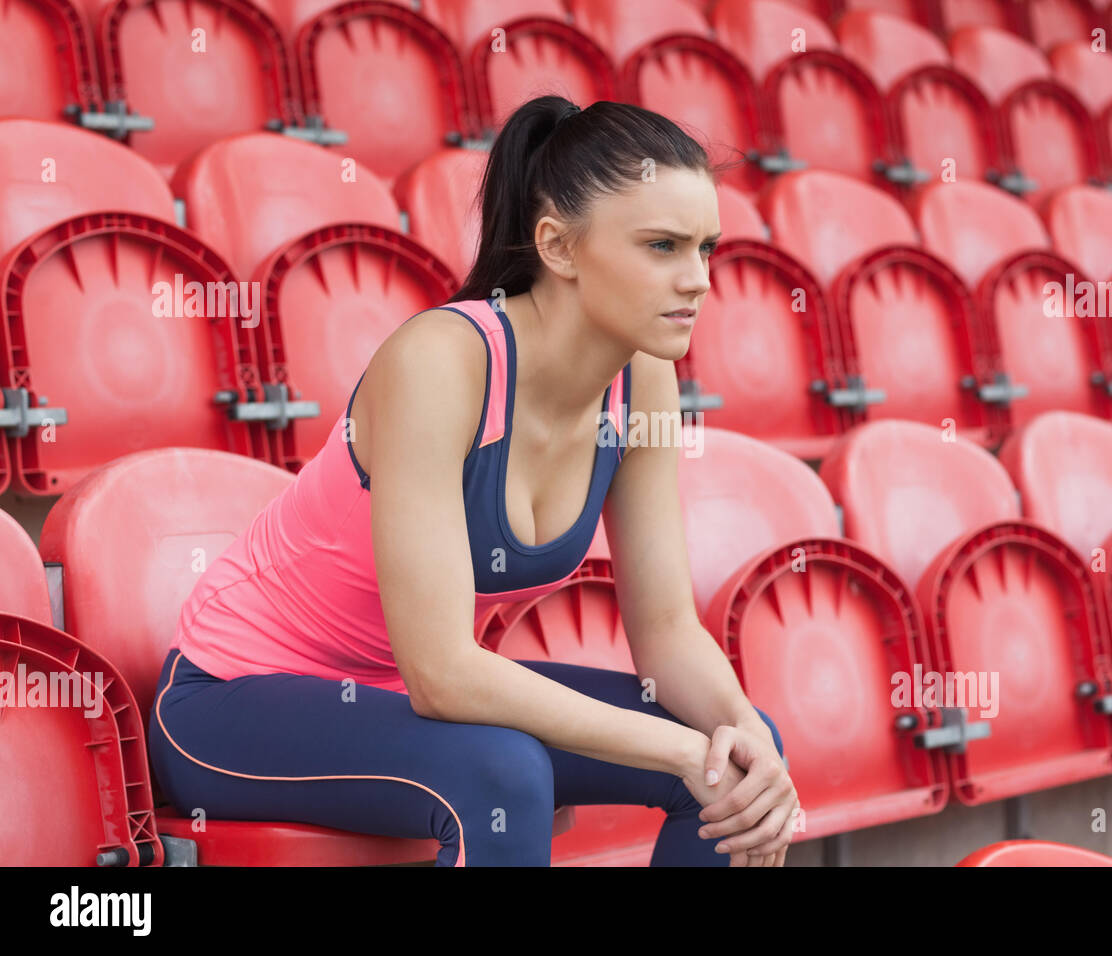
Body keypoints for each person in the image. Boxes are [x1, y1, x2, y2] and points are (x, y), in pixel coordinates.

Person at [147, 95, 798, 866]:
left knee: (735, 758)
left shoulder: (644, 379)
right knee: (504, 774)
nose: (698, 280)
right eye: (662, 246)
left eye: (707, 248)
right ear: (558, 246)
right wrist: (677, 750)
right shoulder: (440, 364)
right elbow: (443, 676)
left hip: (398, 700)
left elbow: (665, 631)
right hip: (230, 703)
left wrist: (747, 744)